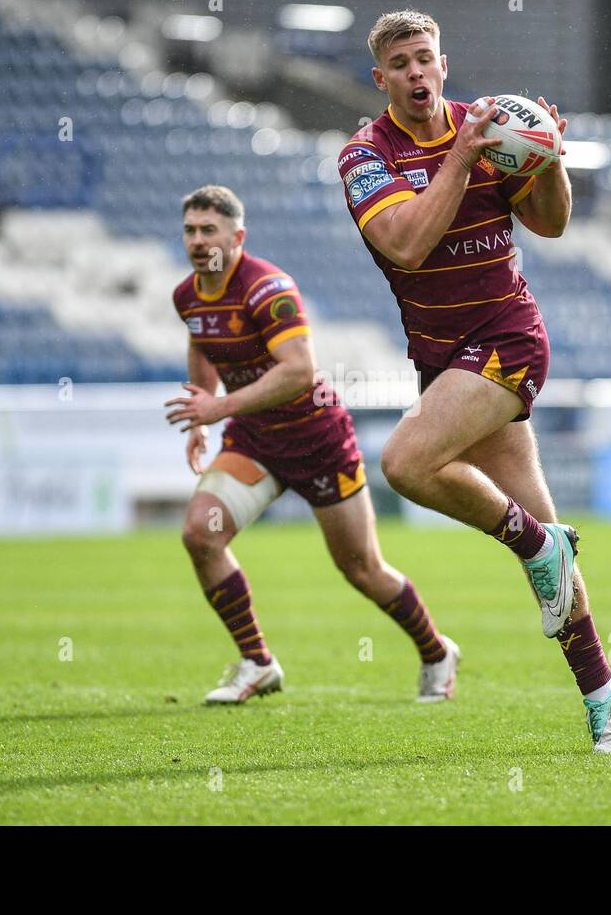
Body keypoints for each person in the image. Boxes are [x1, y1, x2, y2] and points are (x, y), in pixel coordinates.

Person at [336, 10, 611, 753]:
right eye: (399, 63)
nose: (415, 72)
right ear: (381, 79)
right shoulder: (364, 156)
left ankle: (539, 545)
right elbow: (404, 244)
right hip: (442, 358)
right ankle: (605, 691)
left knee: (404, 463)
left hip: (507, 338)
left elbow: (553, 224)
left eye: (425, 58)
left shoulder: (493, 128)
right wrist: (462, 161)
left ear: (444, 63)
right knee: (545, 549)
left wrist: (548, 158)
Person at [165, 184, 459, 705]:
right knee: (199, 535)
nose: (196, 239)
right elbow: (202, 342)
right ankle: (257, 663)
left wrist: (219, 407)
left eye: (208, 229)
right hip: (255, 441)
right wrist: (200, 418)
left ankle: (436, 652)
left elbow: (298, 371)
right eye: (189, 229)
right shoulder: (187, 295)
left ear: (238, 236)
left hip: (317, 441)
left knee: (362, 569)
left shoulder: (267, 288)